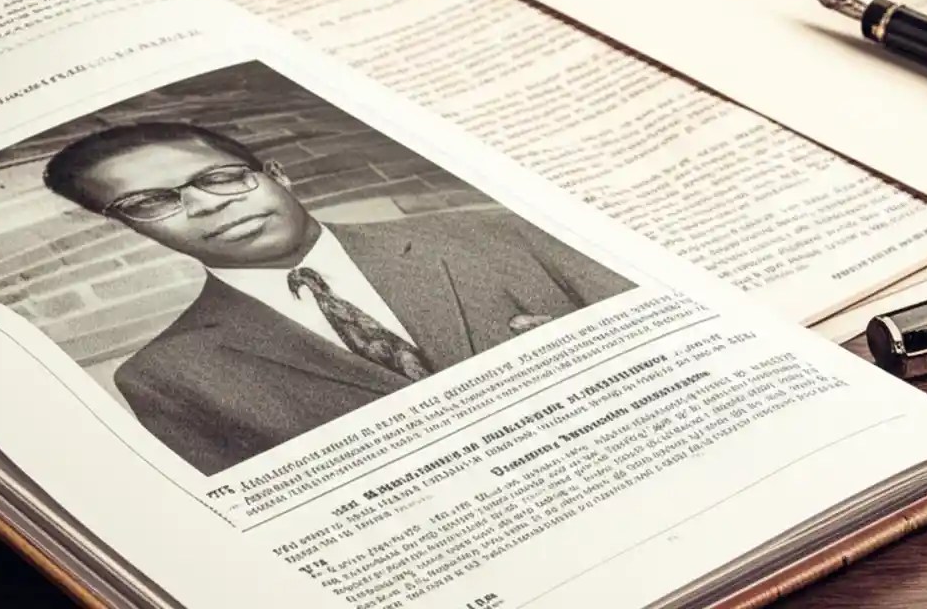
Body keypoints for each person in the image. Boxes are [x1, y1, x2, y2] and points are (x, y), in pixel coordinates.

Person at [43, 122, 633, 474]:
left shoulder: (498, 233)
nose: (205, 205)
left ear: (278, 175)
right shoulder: (166, 377)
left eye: (220, 178)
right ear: (135, 228)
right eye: (149, 203)